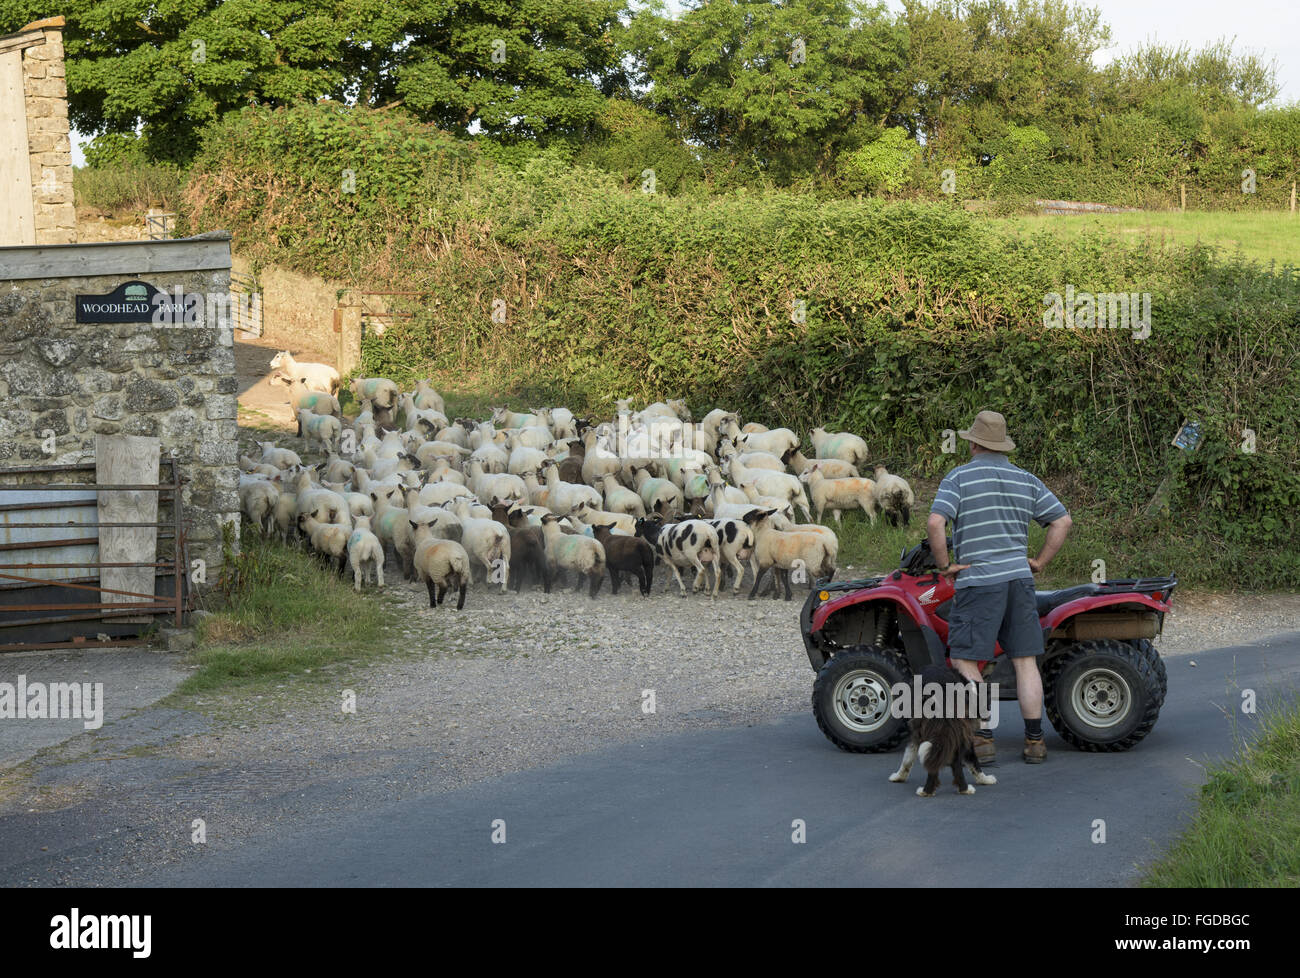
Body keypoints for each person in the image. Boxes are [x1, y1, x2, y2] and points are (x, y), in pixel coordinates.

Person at [926, 410, 1072, 764]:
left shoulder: (959, 478)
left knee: (965, 659)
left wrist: (945, 567)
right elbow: (1062, 521)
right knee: (1024, 661)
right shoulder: (1025, 479)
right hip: (1019, 582)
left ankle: (982, 737)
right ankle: (1035, 742)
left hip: (979, 583)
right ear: (1001, 445)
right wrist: (1039, 562)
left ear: (973, 442)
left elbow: (935, 522)